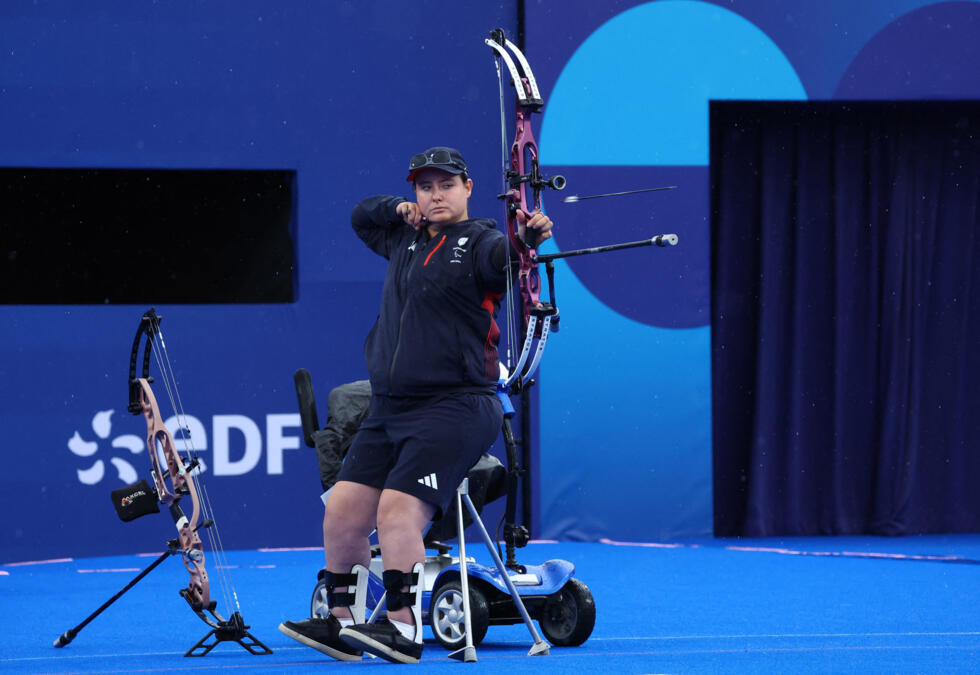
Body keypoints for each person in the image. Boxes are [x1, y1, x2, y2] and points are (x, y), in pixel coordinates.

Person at [279, 147, 552, 664]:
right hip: (391, 407)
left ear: (468, 188)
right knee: (342, 512)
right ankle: (343, 623)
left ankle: (404, 629)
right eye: (425, 187)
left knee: (396, 511)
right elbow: (361, 215)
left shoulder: (482, 243)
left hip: (455, 406)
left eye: (446, 185)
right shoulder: (403, 237)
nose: (435, 195)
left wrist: (526, 240)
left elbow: (508, 259)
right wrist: (396, 209)